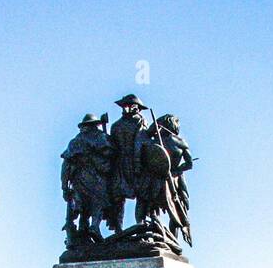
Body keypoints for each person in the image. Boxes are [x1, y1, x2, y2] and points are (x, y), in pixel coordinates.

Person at [133, 113, 193, 245]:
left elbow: (189, 164)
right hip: (168, 177)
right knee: (168, 210)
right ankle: (165, 238)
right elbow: (189, 164)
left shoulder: (154, 141)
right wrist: (176, 171)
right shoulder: (180, 142)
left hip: (159, 180)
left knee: (155, 207)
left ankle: (166, 239)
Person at [60, 113, 113, 246]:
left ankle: (85, 230)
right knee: (98, 202)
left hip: (78, 179)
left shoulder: (75, 142)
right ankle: (93, 227)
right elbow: (109, 153)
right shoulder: (100, 137)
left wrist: (65, 186)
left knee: (84, 206)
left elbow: (66, 165)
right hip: (94, 177)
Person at [107, 93, 147, 232]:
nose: (128, 108)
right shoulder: (136, 123)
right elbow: (140, 144)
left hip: (124, 162)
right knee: (132, 195)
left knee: (130, 195)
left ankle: (139, 225)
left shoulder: (117, 125)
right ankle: (124, 227)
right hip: (129, 163)